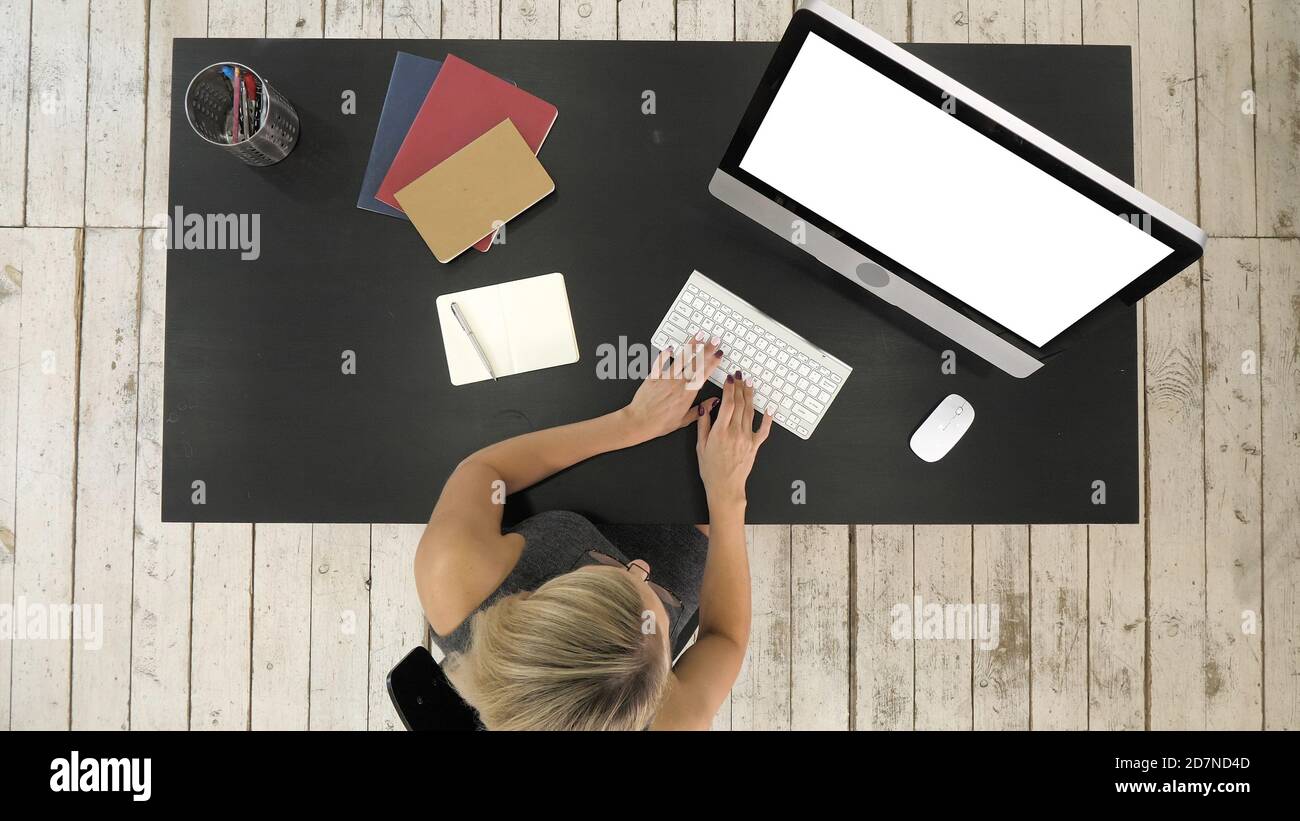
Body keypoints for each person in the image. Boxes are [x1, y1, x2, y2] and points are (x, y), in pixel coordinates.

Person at [414, 333, 772, 730]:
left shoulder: (453, 577)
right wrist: (727, 498)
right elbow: (724, 638)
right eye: (651, 592)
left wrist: (631, 423)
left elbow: (484, 473)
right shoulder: (671, 721)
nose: (641, 567)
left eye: (622, 575)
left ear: (529, 599)